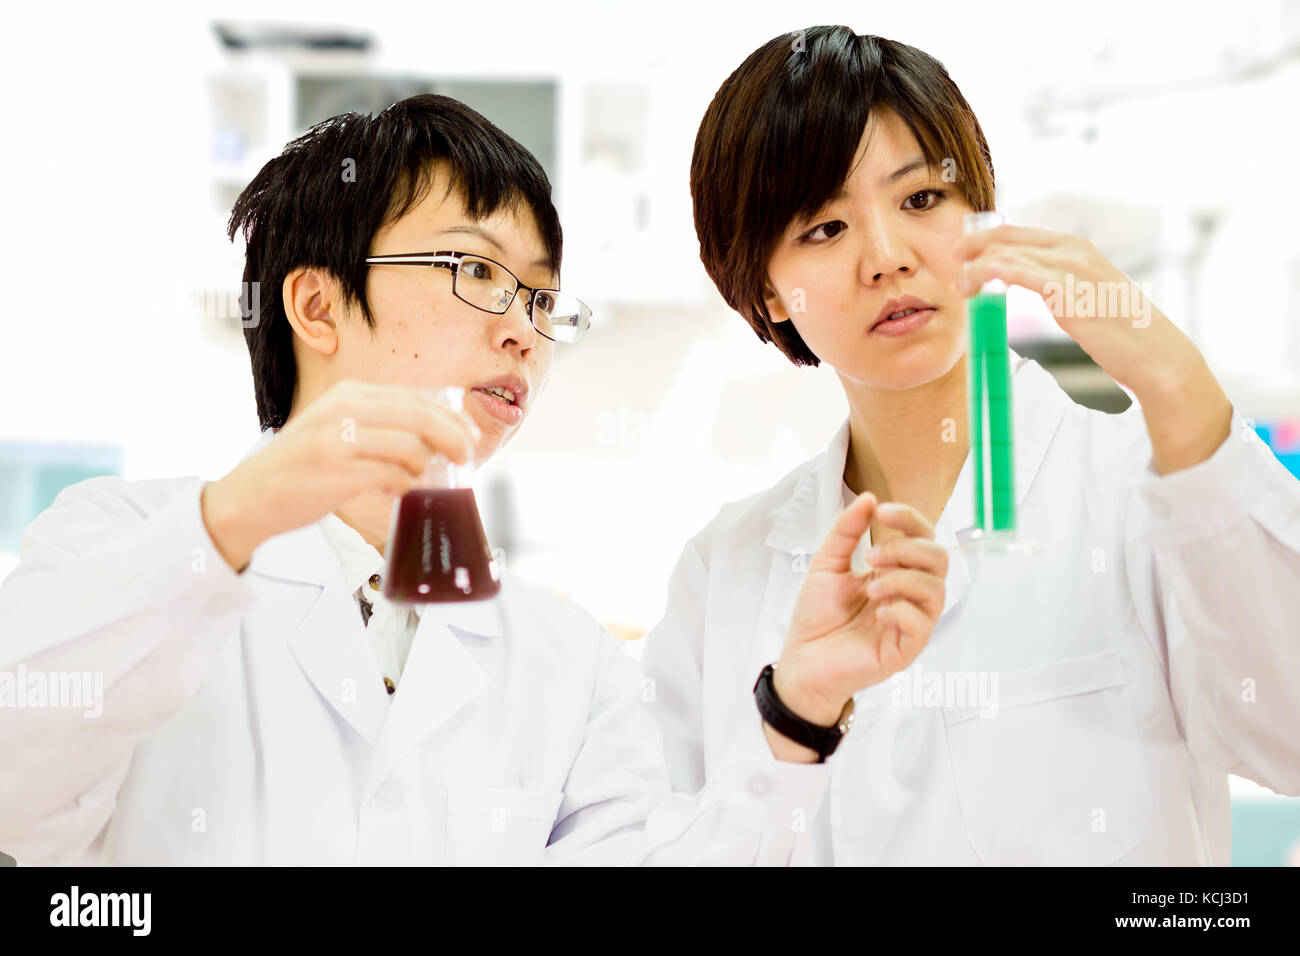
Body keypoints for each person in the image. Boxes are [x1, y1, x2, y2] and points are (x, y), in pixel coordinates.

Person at [0, 93, 884, 865]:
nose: (524, 333)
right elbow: (18, 776)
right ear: (316, 304)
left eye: (540, 297)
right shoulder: (119, 538)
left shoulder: (565, 661)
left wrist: (800, 710)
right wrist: (237, 517)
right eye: (474, 271)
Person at [640, 25, 1300, 865]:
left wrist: (1175, 379)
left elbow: (1291, 737)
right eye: (823, 228)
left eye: (920, 201)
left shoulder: (1143, 490)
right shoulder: (725, 570)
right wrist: (795, 715)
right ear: (767, 286)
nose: (886, 257)